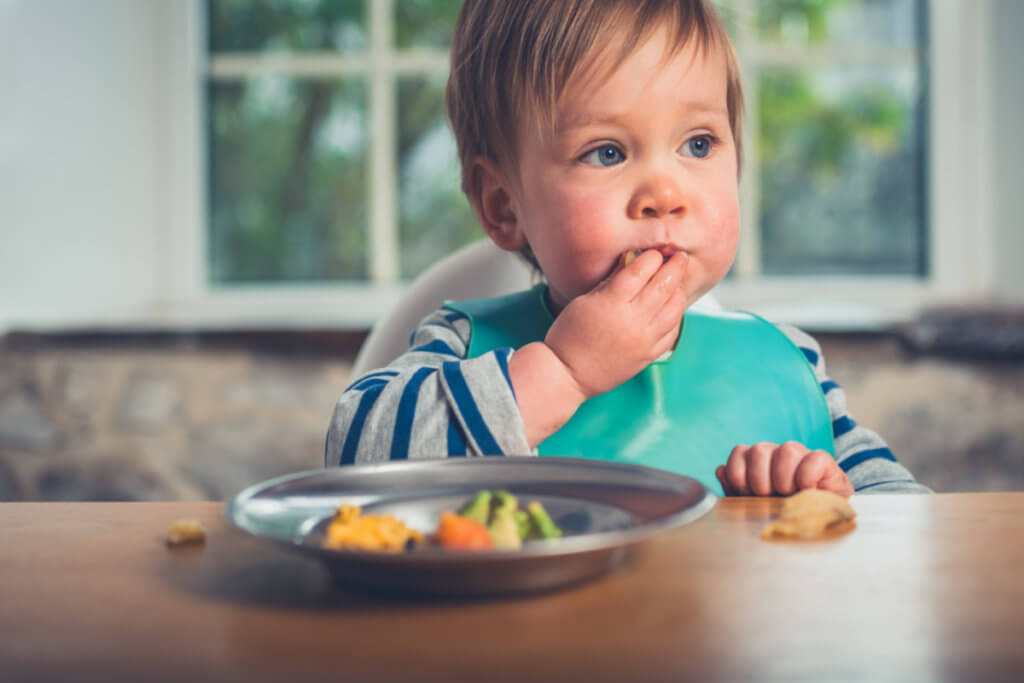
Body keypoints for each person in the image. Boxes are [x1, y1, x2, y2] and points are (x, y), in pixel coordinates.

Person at [326, 0, 930, 496]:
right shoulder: (460, 348)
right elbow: (352, 457)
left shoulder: (790, 366)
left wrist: (833, 501)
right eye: (607, 152)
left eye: (698, 144)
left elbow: (911, 526)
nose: (665, 194)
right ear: (504, 205)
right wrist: (562, 373)